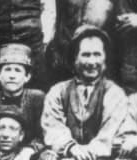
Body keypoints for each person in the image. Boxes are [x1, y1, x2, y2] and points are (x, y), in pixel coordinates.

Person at [40, 25, 129, 160]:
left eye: (97, 54)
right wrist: (71, 148)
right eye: (86, 55)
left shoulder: (115, 93)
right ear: (75, 58)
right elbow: (52, 127)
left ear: (105, 58)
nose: (92, 62)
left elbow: (109, 135)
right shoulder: (58, 91)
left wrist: (87, 154)